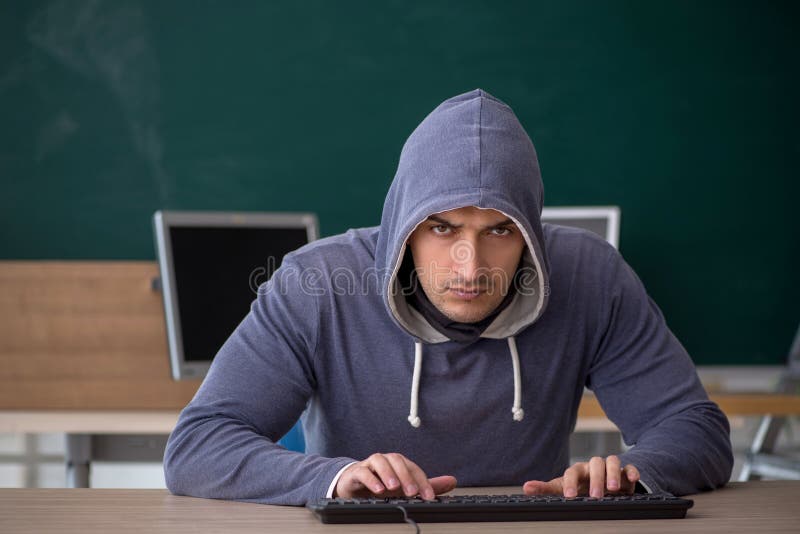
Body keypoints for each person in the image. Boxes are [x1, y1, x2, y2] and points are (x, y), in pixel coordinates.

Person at [163, 89, 733, 505]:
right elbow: (197, 445)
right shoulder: (316, 285)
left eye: (499, 230)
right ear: (404, 227)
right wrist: (331, 480)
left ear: (530, 234)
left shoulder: (590, 277)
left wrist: (630, 474)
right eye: (443, 229)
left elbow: (697, 430)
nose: (471, 266)